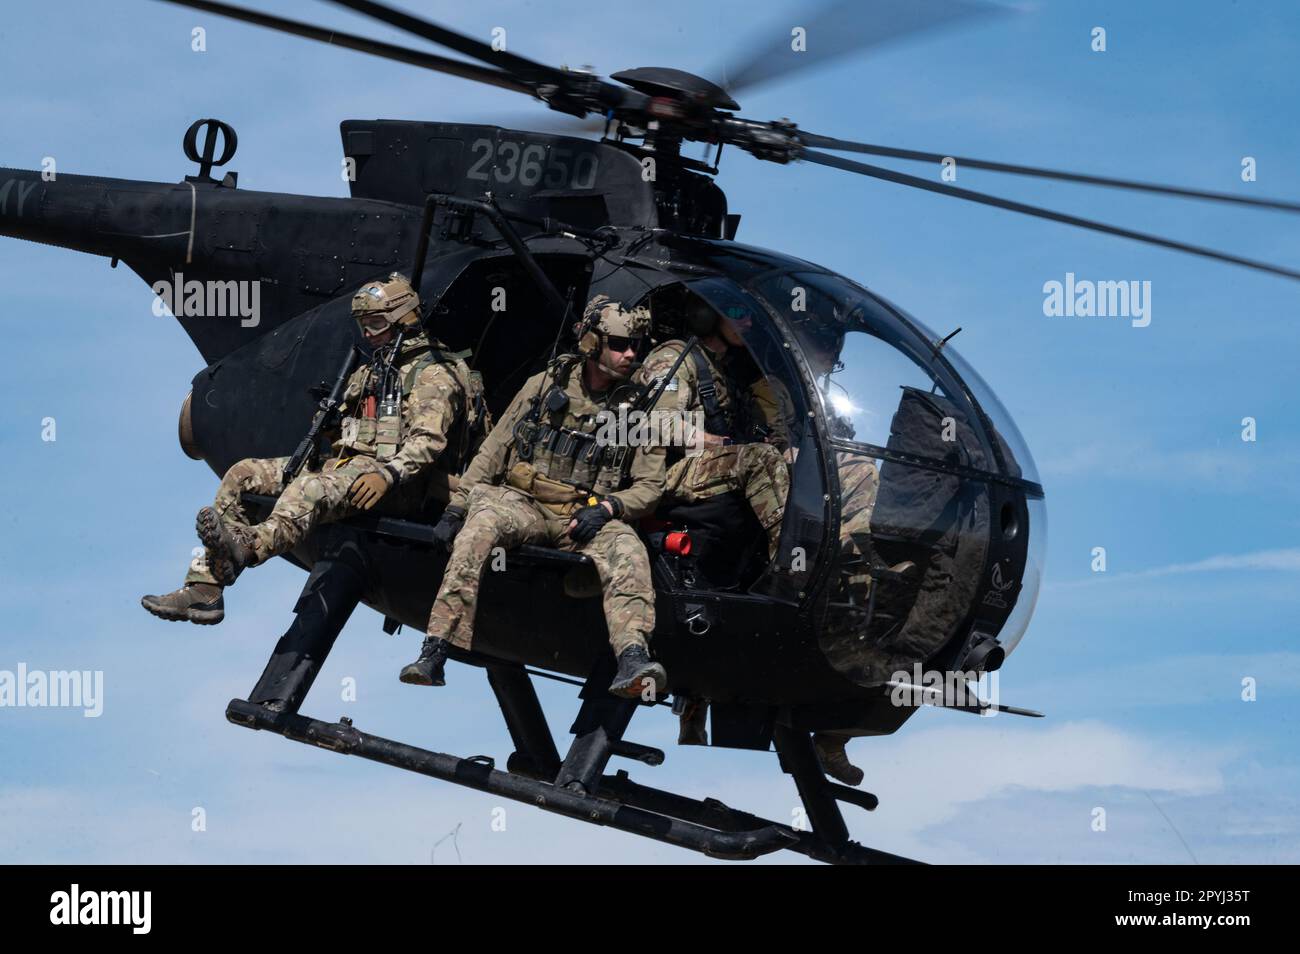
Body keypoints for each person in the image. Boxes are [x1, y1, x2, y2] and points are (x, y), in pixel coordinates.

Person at [141, 273, 479, 625]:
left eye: (376, 324)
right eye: (364, 326)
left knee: (308, 489)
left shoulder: (434, 374)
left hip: (400, 486)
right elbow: (348, 429)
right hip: (347, 467)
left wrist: (388, 474)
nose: (368, 334)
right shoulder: (373, 371)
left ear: (405, 320)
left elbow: (427, 443)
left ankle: (251, 546)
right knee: (242, 476)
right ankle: (203, 588)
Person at [399, 294, 668, 699]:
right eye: (619, 345)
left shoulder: (639, 408)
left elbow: (650, 487)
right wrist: (457, 508)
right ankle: (436, 648)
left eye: (635, 347)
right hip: (522, 501)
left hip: (583, 515)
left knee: (628, 548)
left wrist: (611, 507)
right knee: (480, 527)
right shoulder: (544, 386)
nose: (631, 354)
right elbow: (493, 450)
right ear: (593, 344)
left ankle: (632, 657)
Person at [636, 307, 791, 564]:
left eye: (750, 314)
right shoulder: (674, 356)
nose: (748, 321)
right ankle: (788, 568)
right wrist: (723, 443)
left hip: (704, 467)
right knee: (758, 459)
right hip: (666, 471)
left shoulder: (724, 369)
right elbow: (660, 423)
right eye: (737, 311)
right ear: (707, 314)